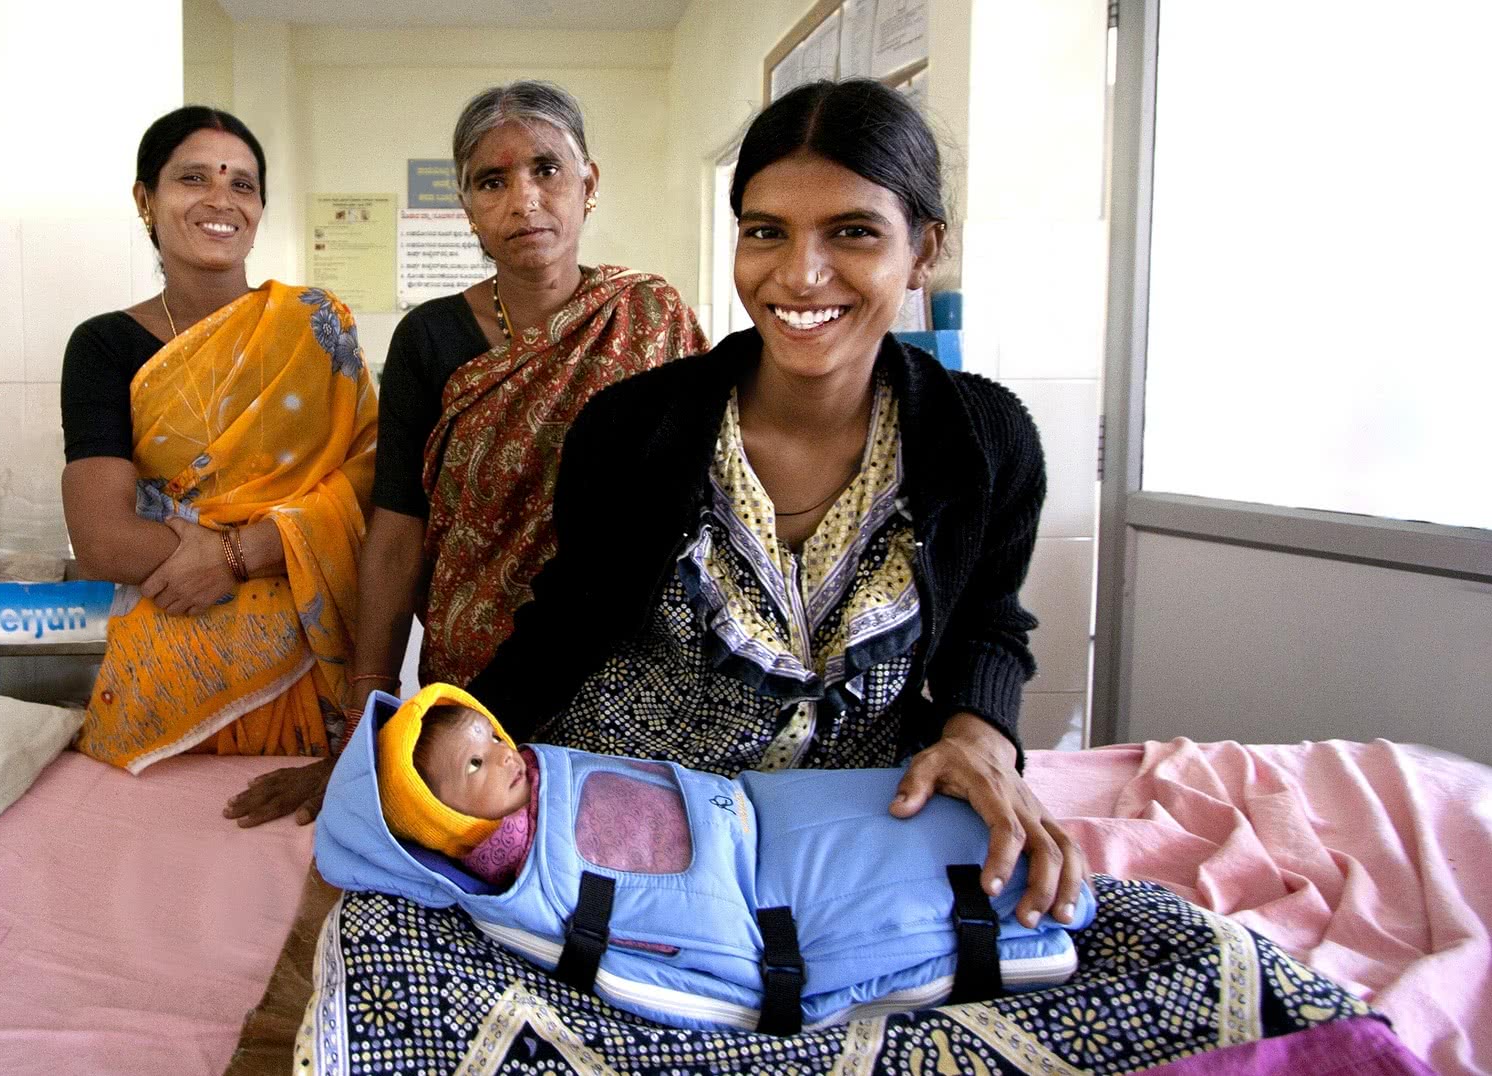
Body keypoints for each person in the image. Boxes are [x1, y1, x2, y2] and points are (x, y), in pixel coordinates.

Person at [464, 79, 1087, 932]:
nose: (799, 274)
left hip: (854, 826)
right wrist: (440, 744)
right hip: (627, 819)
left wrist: (980, 734)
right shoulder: (631, 428)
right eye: (766, 232)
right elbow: (564, 625)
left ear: (924, 248)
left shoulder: (984, 439)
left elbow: (988, 621)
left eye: (853, 232)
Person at [227, 80, 706, 826]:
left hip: (629, 678)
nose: (524, 201)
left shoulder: (648, 318)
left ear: (589, 184)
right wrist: (366, 724)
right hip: (473, 699)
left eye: (546, 169)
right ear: (467, 207)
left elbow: (703, 510)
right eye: (492, 181)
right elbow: (398, 530)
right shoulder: (429, 338)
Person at [316, 682, 1095, 1032]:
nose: (502, 754)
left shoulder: (543, 772)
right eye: (474, 767)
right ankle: (993, 925)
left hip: (751, 811)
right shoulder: (504, 858)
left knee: (908, 821)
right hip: (748, 900)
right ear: (444, 819)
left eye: (490, 734)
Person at [60, 106, 377, 772]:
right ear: (146, 199)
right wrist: (253, 553)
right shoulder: (103, 346)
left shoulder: (316, 329)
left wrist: (236, 554)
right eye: (193, 177)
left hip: (312, 663)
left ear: (259, 209)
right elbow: (102, 541)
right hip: (171, 659)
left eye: (242, 184)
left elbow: (373, 488)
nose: (221, 199)